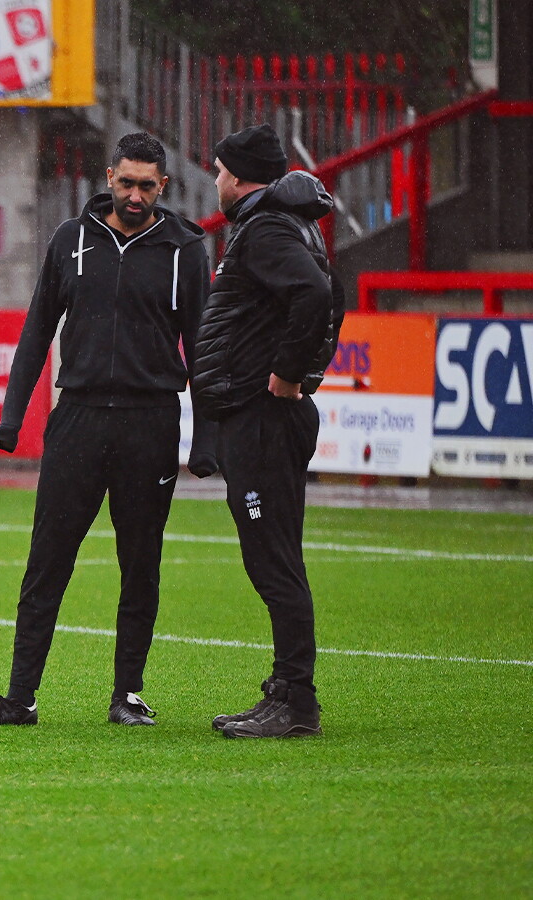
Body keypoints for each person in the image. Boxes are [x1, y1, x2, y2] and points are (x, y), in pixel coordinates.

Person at [0, 132, 218, 728]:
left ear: (163, 186)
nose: (133, 195)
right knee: (47, 560)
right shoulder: (70, 241)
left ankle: (128, 694)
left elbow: (201, 347)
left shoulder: (185, 249)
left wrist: (206, 441)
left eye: (146, 186)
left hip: (151, 421)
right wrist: (11, 417)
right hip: (75, 418)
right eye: (125, 182)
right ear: (108, 176)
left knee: (140, 562)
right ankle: (20, 697)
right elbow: (37, 329)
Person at [193, 124, 341, 738]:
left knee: (272, 560)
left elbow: (316, 294)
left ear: (240, 175)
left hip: (262, 416)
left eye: (221, 172)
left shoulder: (267, 228)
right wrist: (304, 370)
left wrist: (287, 375)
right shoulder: (285, 225)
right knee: (275, 557)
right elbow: (333, 296)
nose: (217, 182)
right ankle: (286, 691)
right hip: (261, 415)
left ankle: (295, 702)